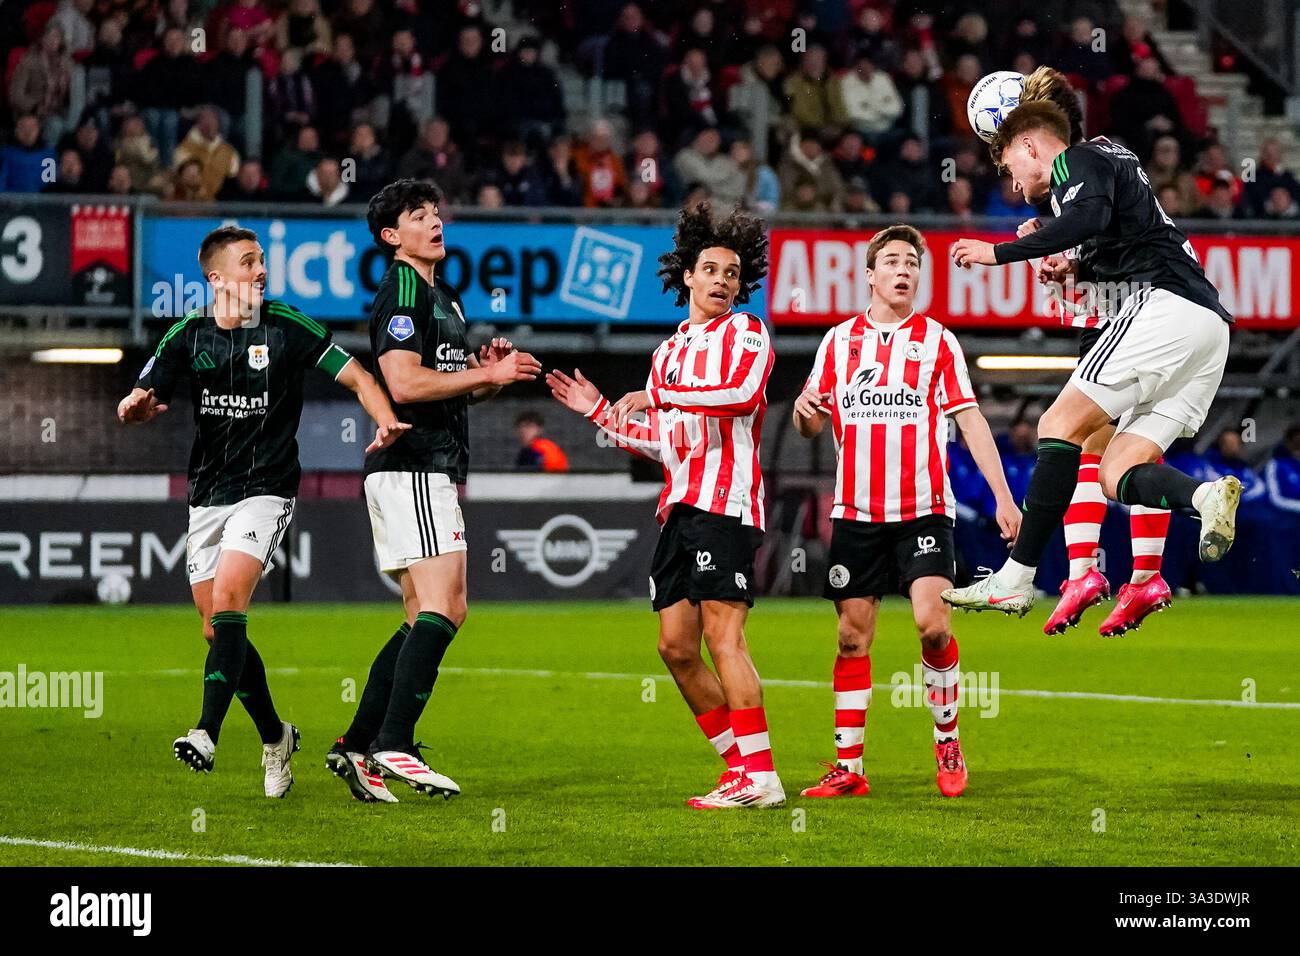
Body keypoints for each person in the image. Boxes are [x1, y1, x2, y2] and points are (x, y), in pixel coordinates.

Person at [116, 225, 407, 797]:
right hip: (207, 494)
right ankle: (276, 736)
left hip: (267, 488)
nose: (260, 271)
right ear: (216, 278)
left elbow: (358, 375)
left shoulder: (286, 326)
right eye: (249, 262)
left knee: (228, 603)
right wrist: (134, 408)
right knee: (213, 627)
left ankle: (206, 731)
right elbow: (143, 396)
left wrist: (384, 417)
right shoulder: (186, 335)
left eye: (263, 262)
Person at [944, 95, 1242, 619]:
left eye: (1009, 162)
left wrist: (997, 252)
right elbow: (1108, 232)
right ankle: (1205, 498)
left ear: (1028, 144)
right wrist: (1074, 272)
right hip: (1208, 330)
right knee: (1116, 470)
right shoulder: (1108, 164)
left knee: (1057, 424)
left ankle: (1017, 577)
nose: (1013, 182)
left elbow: (1086, 218)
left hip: (1167, 308)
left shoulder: (1076, 159)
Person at [546, 203, 786, 810]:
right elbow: (666, 440)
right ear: (687, 276)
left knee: (723, 637)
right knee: (676, 647)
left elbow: (742, 396)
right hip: (679, 506)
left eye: (732, 274)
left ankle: (762, 778)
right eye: (711, 270)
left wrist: (655, 394)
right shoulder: (669, 351)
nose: (722, 281)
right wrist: (601, 412)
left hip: (725, 503)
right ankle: (739, 769)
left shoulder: (747, 333)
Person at [327, 180, 541, 802]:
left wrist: (487, 375)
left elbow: (447, 382)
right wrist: (486, 371)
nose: (436, 220)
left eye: (437, 210)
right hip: (416, 466)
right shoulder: (400, 288)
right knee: (448, 608)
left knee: (422, 615)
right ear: (393, 236)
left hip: (421, 468)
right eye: (419, 215)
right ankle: (394, 741)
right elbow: (404, 383)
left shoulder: (441, 293)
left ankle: (358, 744)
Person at [790, 224, 1020, 799]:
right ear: (870, 275)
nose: (903, 270)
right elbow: (810, 421)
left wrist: (1002, 495)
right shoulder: (838, 342)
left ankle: (948, 740)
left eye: (912, 263)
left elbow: (969, 421)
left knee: (933, 624)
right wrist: (803, 410)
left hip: (923, 509)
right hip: (857, 513)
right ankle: (850, 768)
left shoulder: (938, 341)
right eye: (891, 261)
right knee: (851, 637)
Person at [1007, 68, 1177, 637]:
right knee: (1110, 452)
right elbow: (1082, 275)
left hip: (1135, 322)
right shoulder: (1092, 171)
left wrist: (1033, 251)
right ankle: (1127, 575)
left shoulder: (1089, 168)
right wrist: (1059, 268)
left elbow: (1107, 244)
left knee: (1083, 442)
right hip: (1123, 321)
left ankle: (1092, 572)